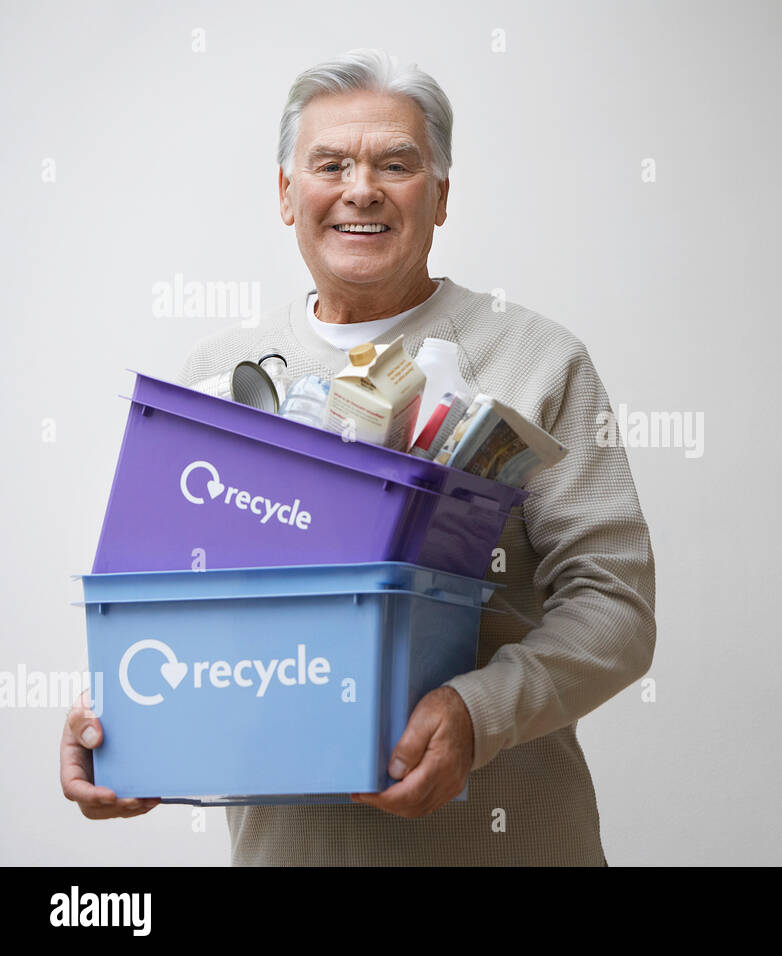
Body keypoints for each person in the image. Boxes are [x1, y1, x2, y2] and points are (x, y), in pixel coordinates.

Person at [59, 48, 656, 866]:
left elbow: (615, 607)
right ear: (285, 194)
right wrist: (121, 718)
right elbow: (178, 610)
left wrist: (476, 713)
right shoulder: (216, 375)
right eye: (330, 163)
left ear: (440, 195)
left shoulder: (539, 361)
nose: (360, 189)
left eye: (396, 165)